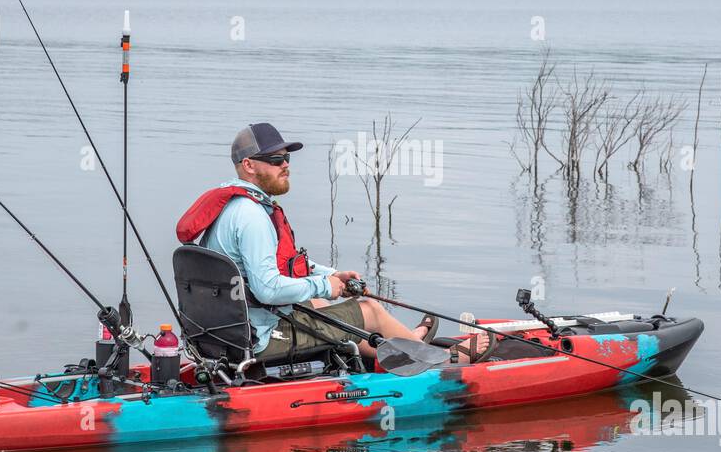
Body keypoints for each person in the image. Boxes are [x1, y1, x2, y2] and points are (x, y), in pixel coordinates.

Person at [176, 122, 492, 364]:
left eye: (286, 158)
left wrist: (331, 275)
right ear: (249, 165)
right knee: (369, 309)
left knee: (326, 305)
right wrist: (325, 286)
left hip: (226, 335)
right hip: (261, 336)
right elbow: (268, 289)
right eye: (276, 159)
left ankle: (405, 341)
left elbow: (280, 267)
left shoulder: (230, 206)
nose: (286, 164)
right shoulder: (253, 216)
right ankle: (435, 359)